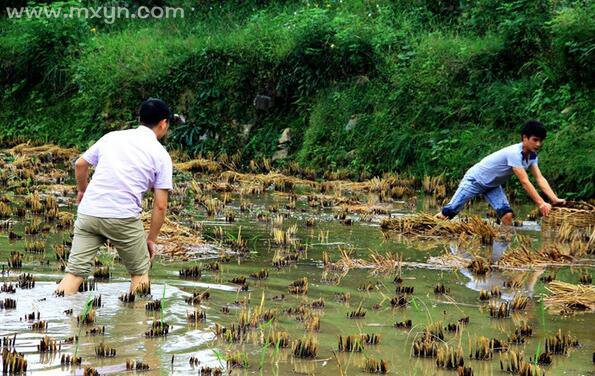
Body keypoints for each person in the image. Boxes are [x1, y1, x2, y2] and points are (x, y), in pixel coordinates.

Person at [56, 98, 174, 295]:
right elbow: (160, 206)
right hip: (123, 217)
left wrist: (83, 191)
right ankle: (135, 324)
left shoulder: (112, 137)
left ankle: (57, 318)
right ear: (163, 123)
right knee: (139, 273)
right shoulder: (161, 155)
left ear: (140, 119)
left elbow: (80, 164)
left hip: (89, 214)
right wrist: (151, 240)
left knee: (74, 273)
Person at [436, 120, 564, 225]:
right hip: (475, 180)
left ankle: (501, 250)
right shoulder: (514, 153)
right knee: (448, 214)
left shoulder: (532, 156)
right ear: (525, 138)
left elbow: (539, 178)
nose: (538, 144)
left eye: (540, 141)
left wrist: (554, 199)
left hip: (492, 186)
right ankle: (426, 228)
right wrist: (541, 203)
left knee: (507, 215)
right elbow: (525, 181)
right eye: (535, 140)